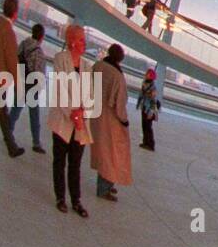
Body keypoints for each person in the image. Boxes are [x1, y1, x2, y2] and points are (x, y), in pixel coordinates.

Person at [49, 21, 91, 216]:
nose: (84, 43)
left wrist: (81, 113)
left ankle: (76, 200)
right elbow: (59, 89)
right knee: (60, 160)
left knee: (75, 163)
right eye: (81, 40)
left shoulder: (87, 67)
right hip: (63, 121)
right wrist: (72, 113)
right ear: (72, 41)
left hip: (79, 124)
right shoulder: (61, 59)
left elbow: (90, 95)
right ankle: (60, 197)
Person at [89, 43, 132, 201]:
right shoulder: (117, 75)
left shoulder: (98, 66)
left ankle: (106, 184)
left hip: (96, 114)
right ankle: (104, 187)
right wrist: (124, 121)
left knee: (102, 151)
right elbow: (119, 102)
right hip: (110, 120)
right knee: (112, 154)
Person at [12, 22, 48, 152]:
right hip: (31, 86)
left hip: (21, 80)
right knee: (34, 115)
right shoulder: (38, 52)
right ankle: (36, 143)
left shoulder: (23, 44)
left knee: (15, 109)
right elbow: (39, 73)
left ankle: (8, 133)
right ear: (41, 36)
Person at [0, 0, 26, 157]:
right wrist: (18, 84)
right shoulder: (7, 30)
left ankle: (12, 146)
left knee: (2, 112)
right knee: (2, 112)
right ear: (15, 13)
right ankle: (12, 146)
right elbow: (11, 59)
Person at [137, 68, 161, 151]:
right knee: (144, 125)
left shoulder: (152, 87)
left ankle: (150, 144)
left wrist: (151, 112)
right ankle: (145, 142)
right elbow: (141, 95)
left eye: (147, 74)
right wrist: (139, 104)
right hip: (144, 106)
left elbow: (153, 100)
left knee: (148, 126)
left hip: (148, 108)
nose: (145, 75)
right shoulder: (144, 84)